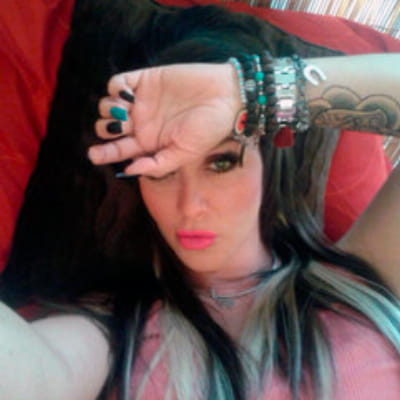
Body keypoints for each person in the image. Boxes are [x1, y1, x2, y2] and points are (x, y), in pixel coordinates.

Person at [0, 1, 399, 400]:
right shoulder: (113, 334)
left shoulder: (367, 278)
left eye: (221, 162)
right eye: (160, 170)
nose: (190, 206)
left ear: (270, 164)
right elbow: (32, 377)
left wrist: (252, 94)